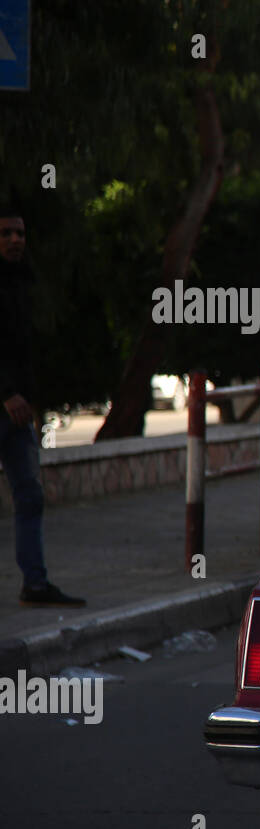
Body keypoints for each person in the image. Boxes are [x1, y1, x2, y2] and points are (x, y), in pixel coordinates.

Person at [0, 206, 85, 606]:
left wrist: (27, 398)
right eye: (5, 234)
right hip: (7, 403)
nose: (15, 240)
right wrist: (7, 393)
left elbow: (24, 351)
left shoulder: (22, 282)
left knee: (30, 495)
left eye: (19, 233)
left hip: (17, 414)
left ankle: (35, 584)